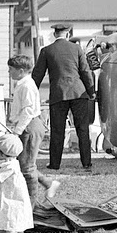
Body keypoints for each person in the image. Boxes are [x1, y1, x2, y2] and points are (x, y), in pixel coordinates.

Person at [32, 23, 96, 171]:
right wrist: (91, 91)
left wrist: (32, 92)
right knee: (82, 129)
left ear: (55, 35)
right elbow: (85, 71)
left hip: (58, 93)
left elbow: (37, 75)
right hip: (78, 92)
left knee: (57, 130)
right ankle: (86, 162)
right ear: (68, 34)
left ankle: (55, 164)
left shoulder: (47, 51)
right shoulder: (77, 49)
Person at [7, 55, 59, 205]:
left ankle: (32, 203)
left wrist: (17, 131)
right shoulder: (22, 84)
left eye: (11, 69)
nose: (9, 72)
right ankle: (49, 184)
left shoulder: (27, 85)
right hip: (27, 125)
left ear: (21, 70)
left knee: (27, 167)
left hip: (30, 126)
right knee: (24, 163)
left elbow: (28, 110)